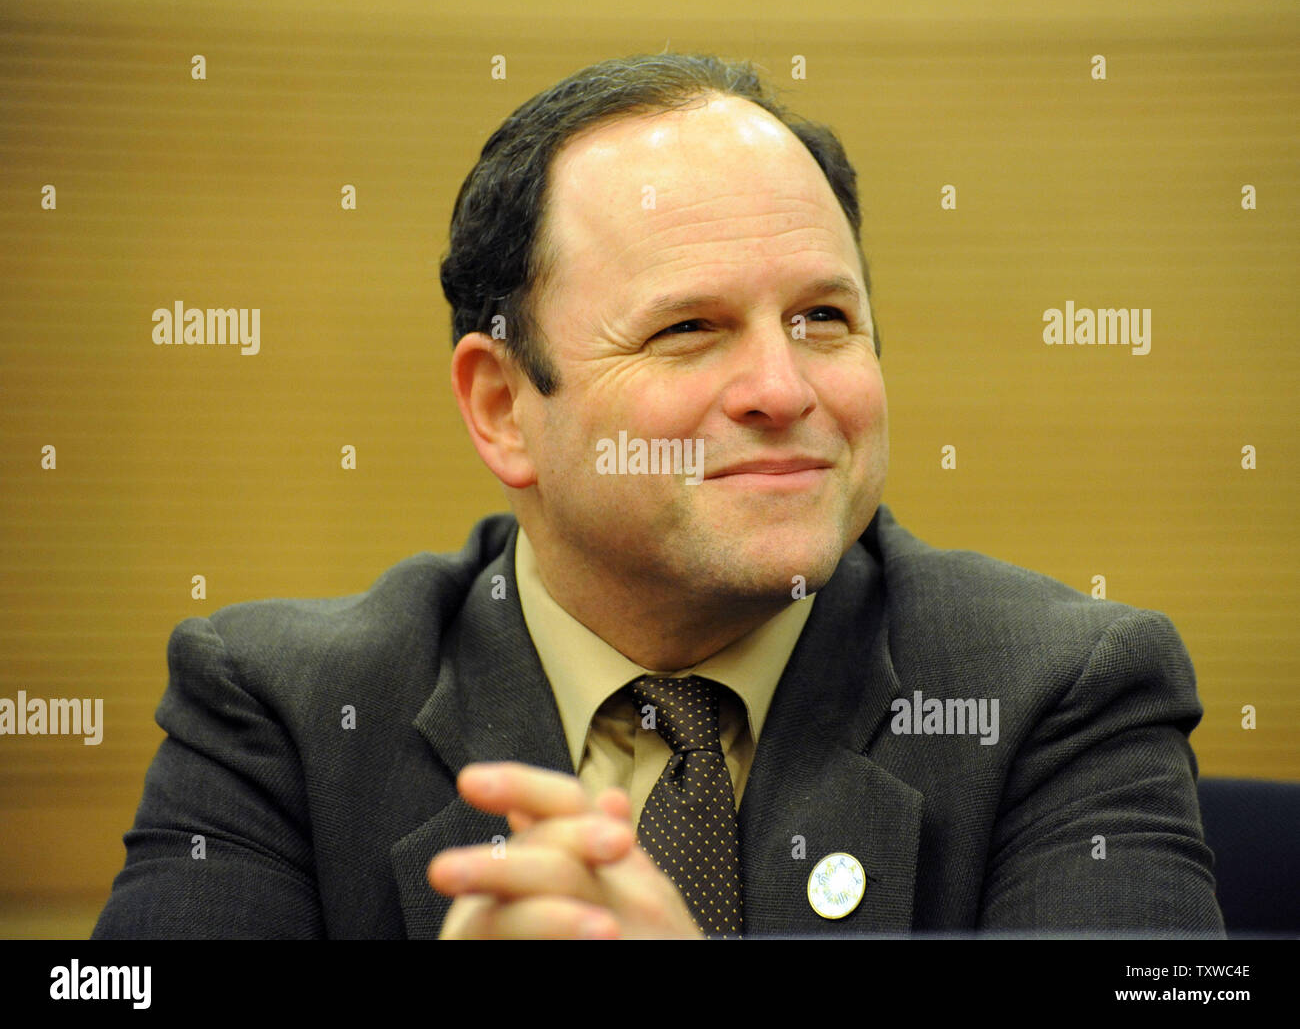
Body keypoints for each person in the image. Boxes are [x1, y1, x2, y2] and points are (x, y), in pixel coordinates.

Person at [93, 54, 1224, 940]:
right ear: (501, 407)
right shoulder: (281, 715)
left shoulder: (1059, 694)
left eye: (823, 318)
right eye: (688, 330)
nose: (783, 389)